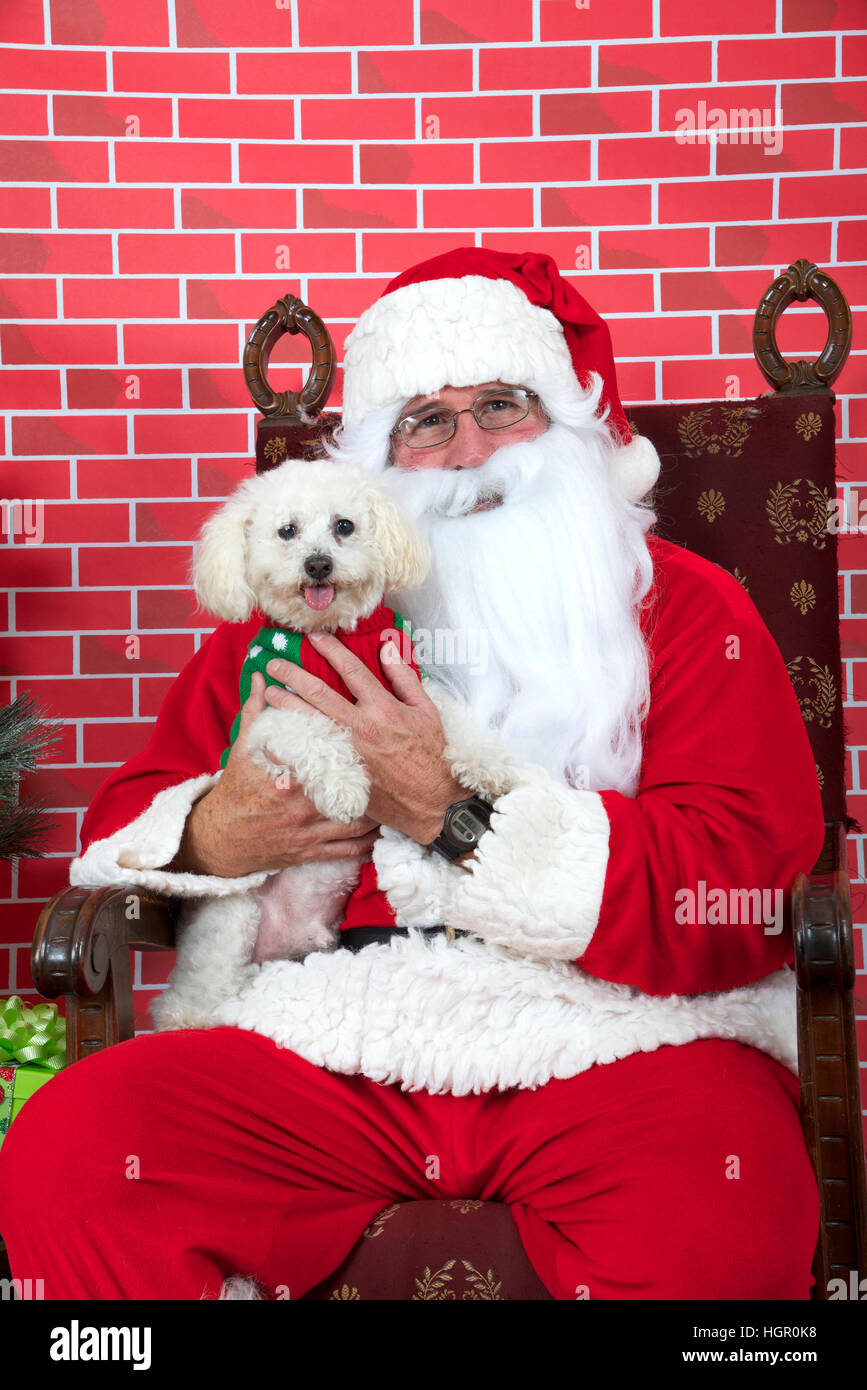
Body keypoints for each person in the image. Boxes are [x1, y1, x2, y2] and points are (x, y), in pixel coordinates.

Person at [0, 248, 825, 1300]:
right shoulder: (298, 620)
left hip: (622, 1034)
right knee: (76, 1150)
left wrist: (451, 813)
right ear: (378, 464)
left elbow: (747, 886)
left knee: (729, 1209)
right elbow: (131, 818)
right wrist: (220, 832)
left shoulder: (696, 614)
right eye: (425, 421)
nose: (468, 449)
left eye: (501, 404)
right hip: (332, 1035)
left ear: (571, 428)